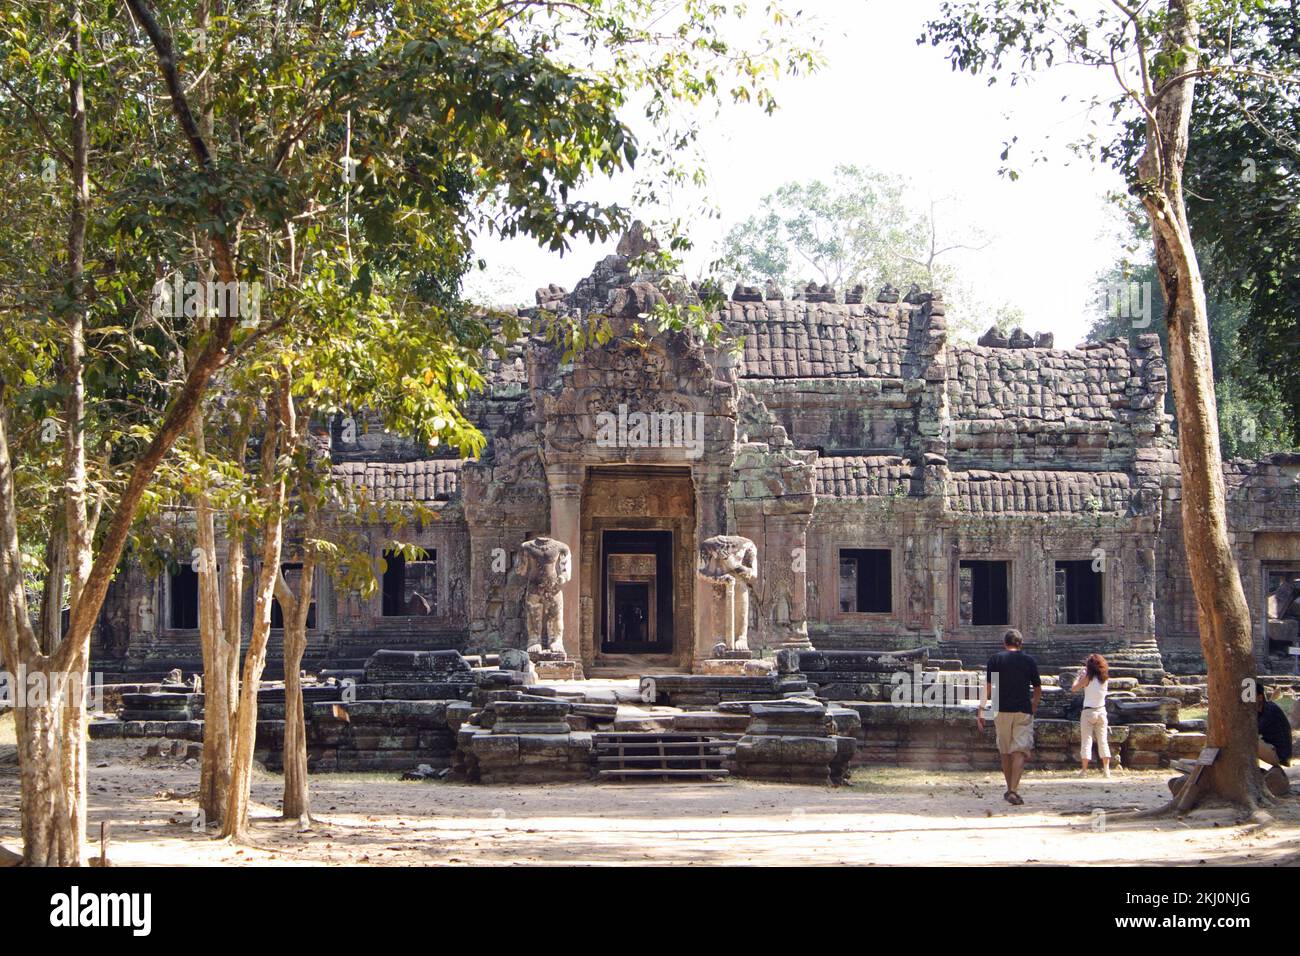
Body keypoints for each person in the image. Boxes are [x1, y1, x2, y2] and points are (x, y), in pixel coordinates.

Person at [978, 628, 1041, 805]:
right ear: (1020, 644)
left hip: (1000, 709)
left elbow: (988, 687)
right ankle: (1013, 789)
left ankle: (1009, 789)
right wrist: (1033, 705)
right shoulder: (1029, 661)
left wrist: (981, 710)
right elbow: (1037, 688)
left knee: (1005, 750)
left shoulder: (996, 659)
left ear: (1005, 644)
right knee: (1019, 750)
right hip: (1022, 708)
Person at [1071, 654, 1111, 777]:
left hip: (1088, 712)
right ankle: (1106, 770)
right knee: (1103, 740)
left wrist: (1078, 677)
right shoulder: (1105, 679)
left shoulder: (1088, 678)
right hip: (1101, 711)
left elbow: (1074, 688)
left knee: (1086, 741)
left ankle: (1084, 770)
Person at [1251, 680, 1293, 769]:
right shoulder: (1263, 709)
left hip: (1279, 755)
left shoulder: (1270, 711)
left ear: (1260, 697)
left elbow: (1253, 730)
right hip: (1273, 750)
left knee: (1247, 740)